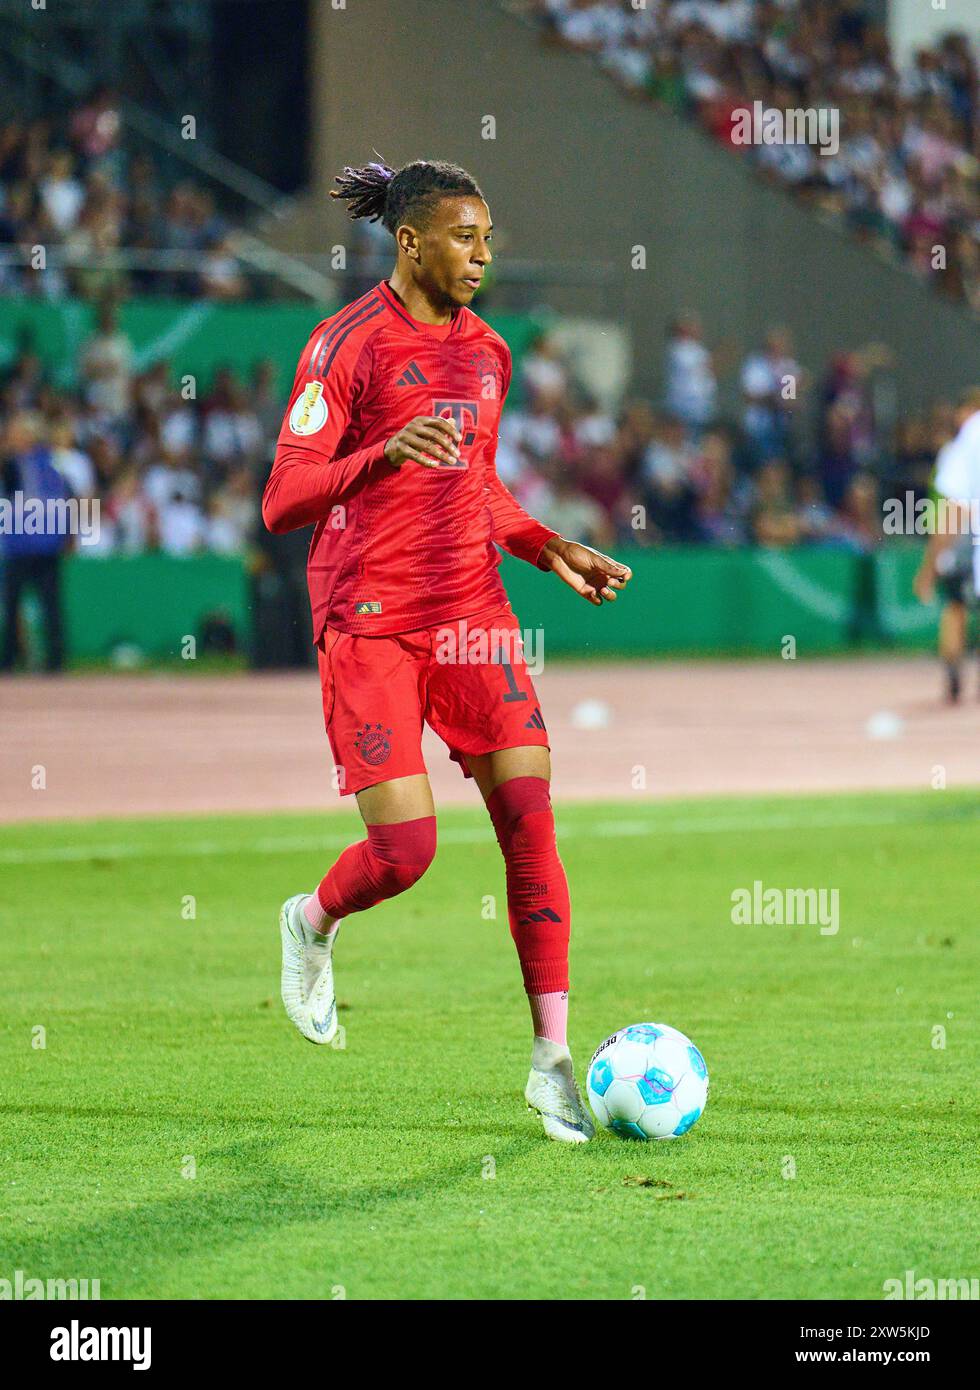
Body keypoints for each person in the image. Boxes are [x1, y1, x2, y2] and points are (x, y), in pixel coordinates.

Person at [262, 156, 633, 1142]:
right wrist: (380, 451)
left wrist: (546, 545)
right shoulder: (343, 347)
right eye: (464, 236)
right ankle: (312, 919)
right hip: (368, 619)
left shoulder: (490, 355)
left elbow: (477, 487)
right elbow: (281, 499)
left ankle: (551, 1060)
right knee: (406, 852)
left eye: (487, 235)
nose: (482, 253)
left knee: (529, 819)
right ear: (411, 240)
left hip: (470, 610)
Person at [914, 388, 980, 701]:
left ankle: (954, 669)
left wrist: (928, 568)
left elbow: (954, 506)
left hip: (968, 534)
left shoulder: (962, 446)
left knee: (955, 605)